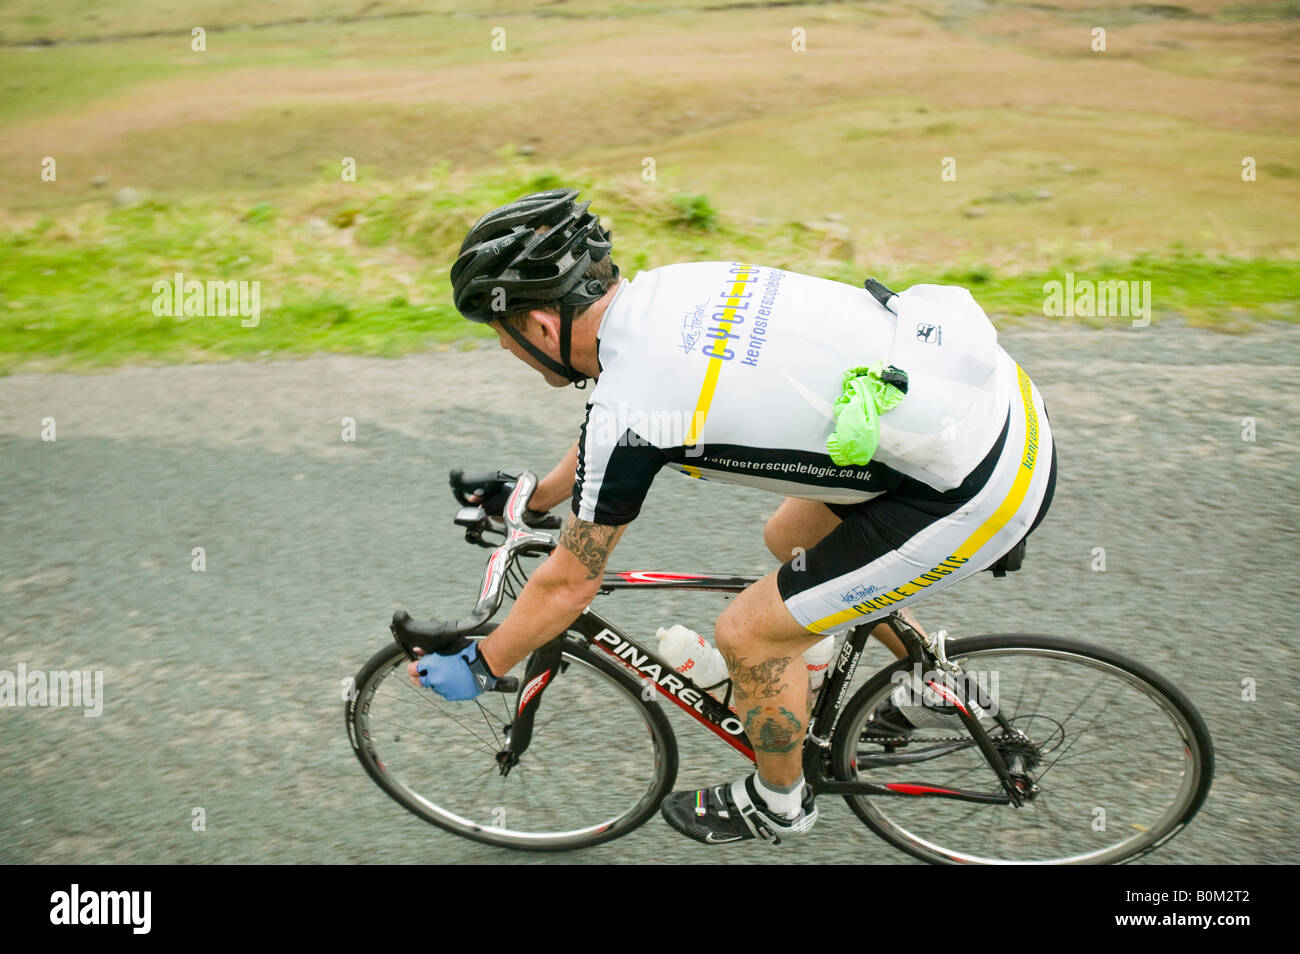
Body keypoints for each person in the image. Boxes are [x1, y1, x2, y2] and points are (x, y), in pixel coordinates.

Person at [412, 188, 1057, 846]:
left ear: (542, 327)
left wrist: (485, 662)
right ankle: (945, 692)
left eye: (501, 331)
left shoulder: (632, 400)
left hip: (971, 490)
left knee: (748, 635)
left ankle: (780, 801)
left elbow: (569, 582)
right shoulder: (664, 295)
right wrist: (535, 498)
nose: (503, 348)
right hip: (998, 410)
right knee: (790, 539)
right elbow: (614, 428)